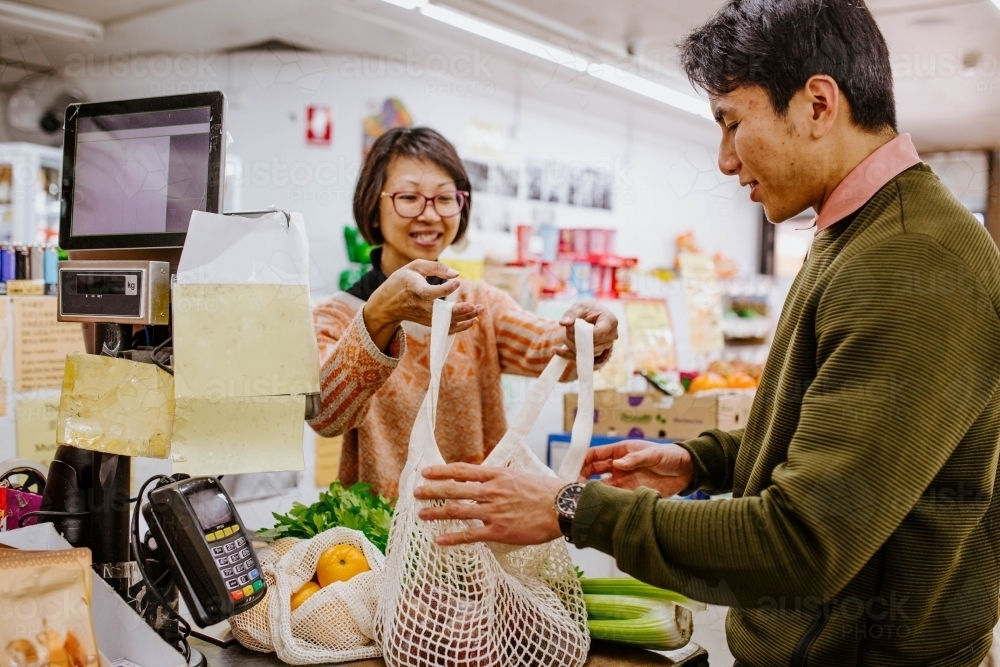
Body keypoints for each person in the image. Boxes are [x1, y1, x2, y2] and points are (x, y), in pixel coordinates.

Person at [413, 2, 1000, 666]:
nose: (724, 160)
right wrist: (709, 459)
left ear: (816, 104)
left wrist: (576, 508)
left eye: (732, 123)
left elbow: (803, 543)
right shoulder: (855, 234)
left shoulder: (910, 260)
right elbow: (826, 425)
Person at [308, 126, 617, 498]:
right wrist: (379, 316)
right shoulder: (336, 316)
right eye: (409, 197)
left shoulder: (479, 305)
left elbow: (548, 348)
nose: (429, 215)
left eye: (444, 198)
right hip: (378, 537)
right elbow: (325, 415)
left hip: (479, 530)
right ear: (374, 207)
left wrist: (583, 334)